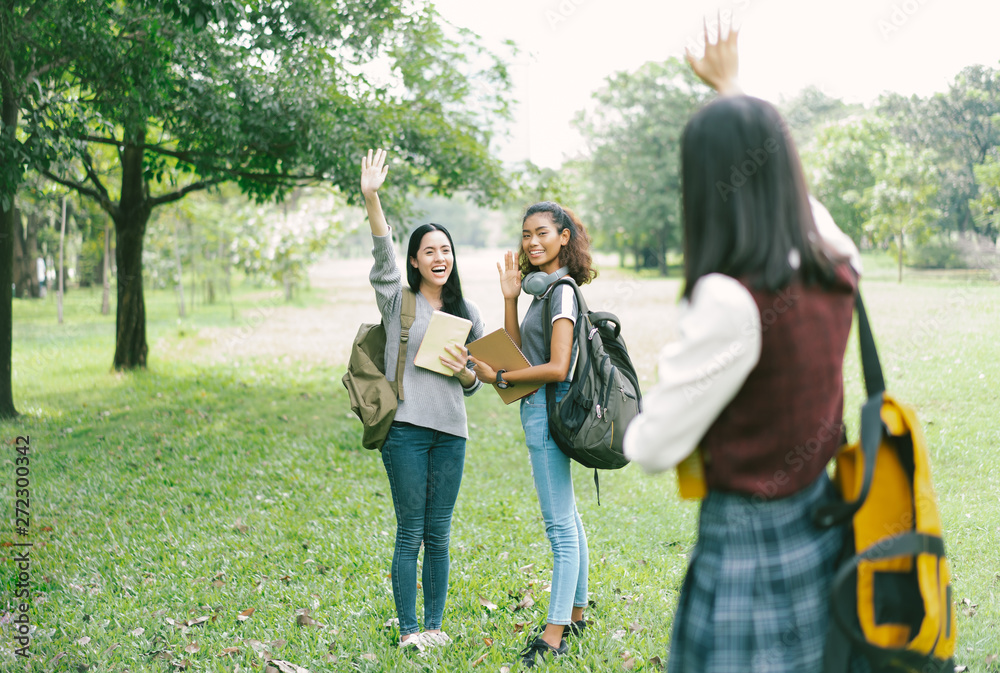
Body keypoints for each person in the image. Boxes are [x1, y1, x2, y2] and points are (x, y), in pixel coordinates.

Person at [622, 24, 866, 673]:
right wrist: (735, 92)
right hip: (822, 525)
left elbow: (651, 446)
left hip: (749, 552)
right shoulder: (839, 262)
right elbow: (802, 203)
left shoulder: (730, 300)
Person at [360, 148, 485, 652]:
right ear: (415, 260)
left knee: (440, 533)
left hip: (451, 432)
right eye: (429, 251)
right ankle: (409, 631)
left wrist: (467, 373)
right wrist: (372, 198)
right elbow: (382, 253)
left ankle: (434, 626)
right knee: (410, 531)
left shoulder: (467, 310)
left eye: (446, 250)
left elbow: (479, 378)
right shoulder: (398, 299)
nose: (439, 258)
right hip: (406, 431)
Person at [468, 201, 597, 668]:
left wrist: (501, 378)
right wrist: (510, 299)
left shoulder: (561, 293)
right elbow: (519, 352)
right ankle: (576, 614)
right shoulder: (543, 292)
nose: (532, 242)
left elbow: (557, 367)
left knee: (559, 527)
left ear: (564, 237)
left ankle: (554, 635)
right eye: (526, 234)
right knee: (569, 518)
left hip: (546, 410)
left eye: (542, 232)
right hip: (541, 409)